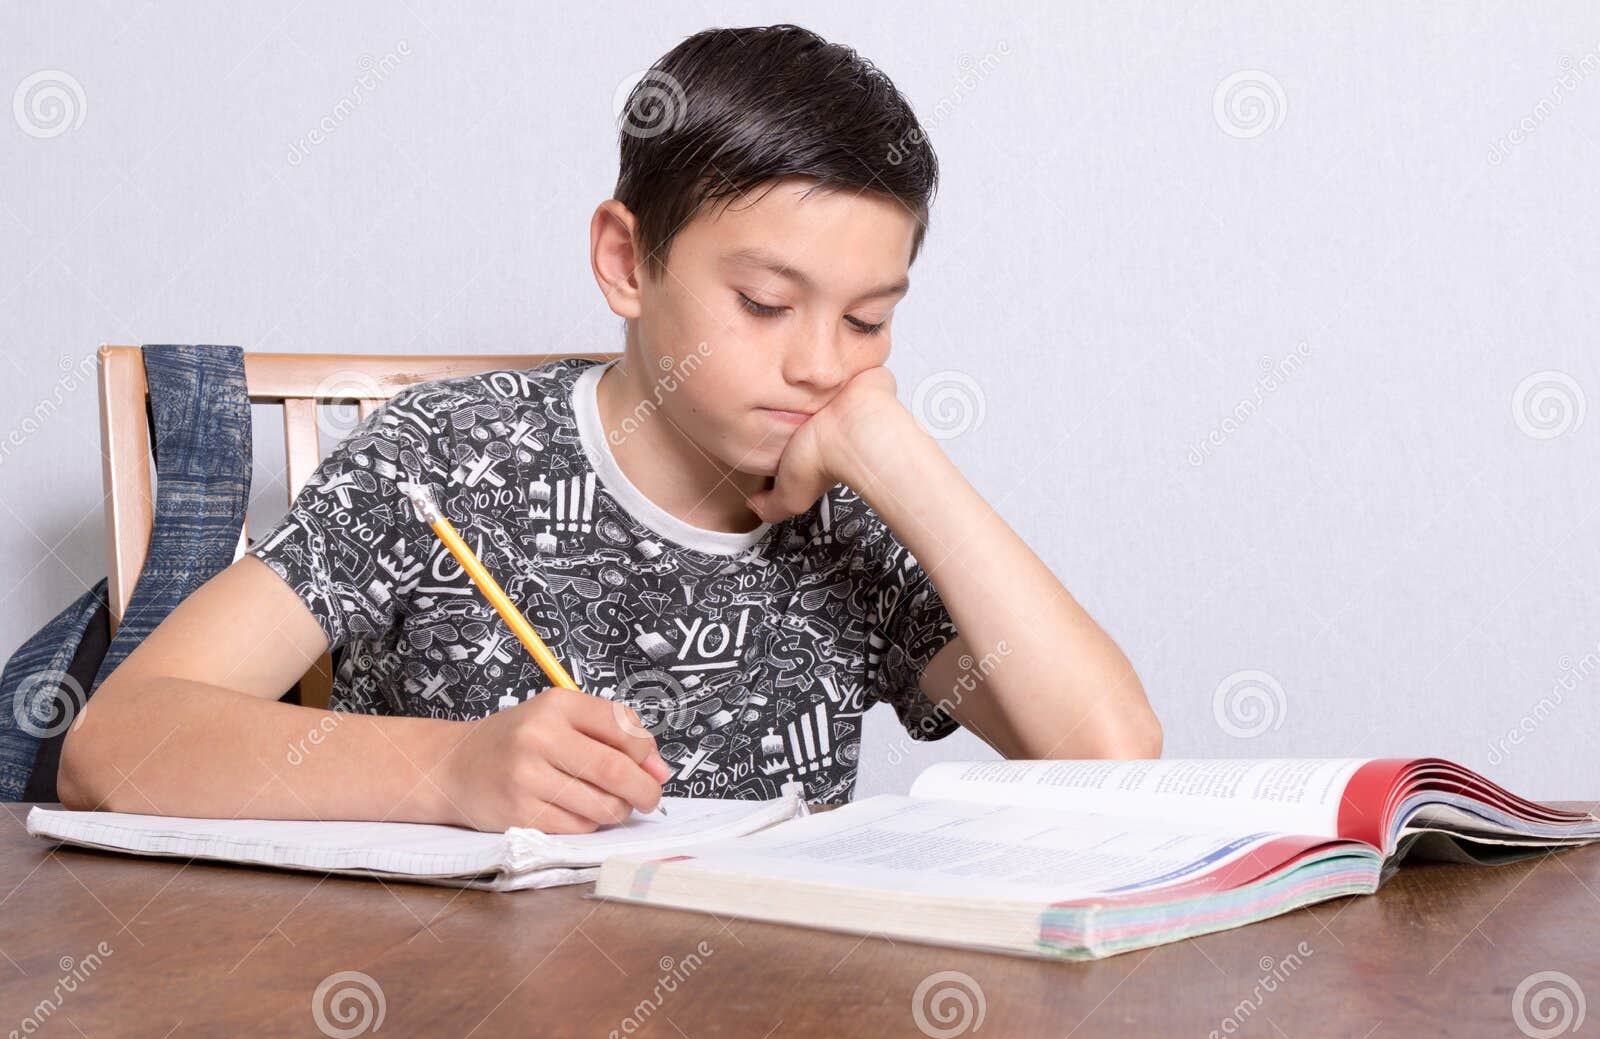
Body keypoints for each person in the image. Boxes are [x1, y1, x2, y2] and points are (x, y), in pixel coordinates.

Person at [60, 24, 1160, 834]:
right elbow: (117, 743)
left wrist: (901, 458)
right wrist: (450, 773)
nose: (822, 363)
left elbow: (1111, 762)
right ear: (628, 262)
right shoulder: (444, 460)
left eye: (869, 319)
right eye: (767, 304)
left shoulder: (853, 515)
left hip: (773, 1036)